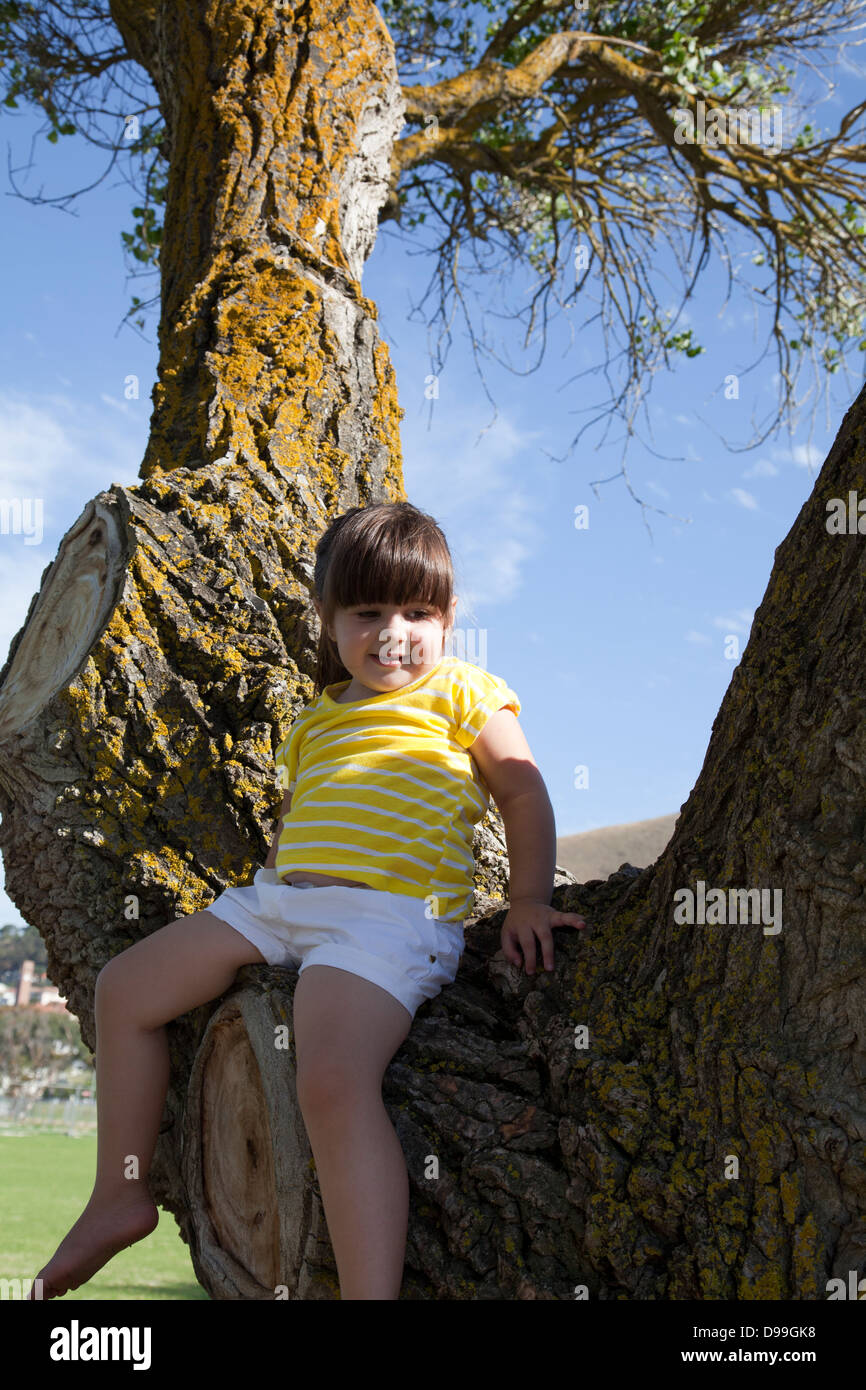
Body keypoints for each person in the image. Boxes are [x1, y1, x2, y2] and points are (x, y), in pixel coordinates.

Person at [30, 500, 585, 1302]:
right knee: (127, 989)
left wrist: (527, 898)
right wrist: (267, 890)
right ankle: (119, 1194)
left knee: (328, 1079)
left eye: (419, 612)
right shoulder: (318, 721)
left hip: (388, 920)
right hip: (277, 904)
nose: (395, 632)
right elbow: (296, 821)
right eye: (368, 613)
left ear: (449, 618)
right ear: (328, 621)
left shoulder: (465, 693)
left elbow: (523, 793)